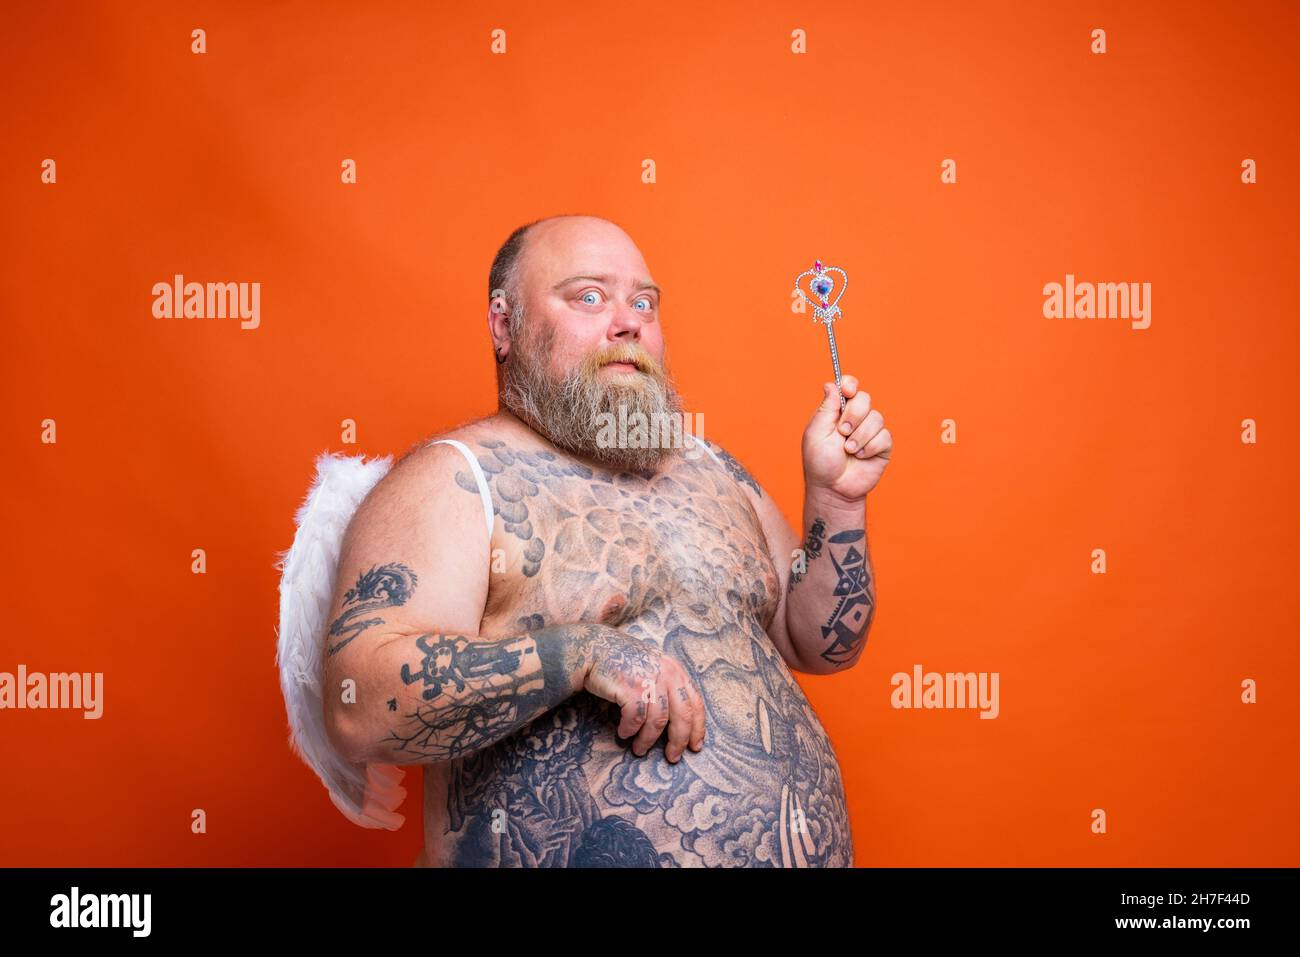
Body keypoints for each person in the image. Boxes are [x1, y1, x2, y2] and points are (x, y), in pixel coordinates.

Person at [322, 215, 892, 867]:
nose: (628, 322)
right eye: (588, 296)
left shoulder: (711, 471)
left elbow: (820, 642)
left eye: (643, 301)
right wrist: (579, 652)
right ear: (502, 324)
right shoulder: (456, 480)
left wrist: (837, 501)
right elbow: (359, 708)